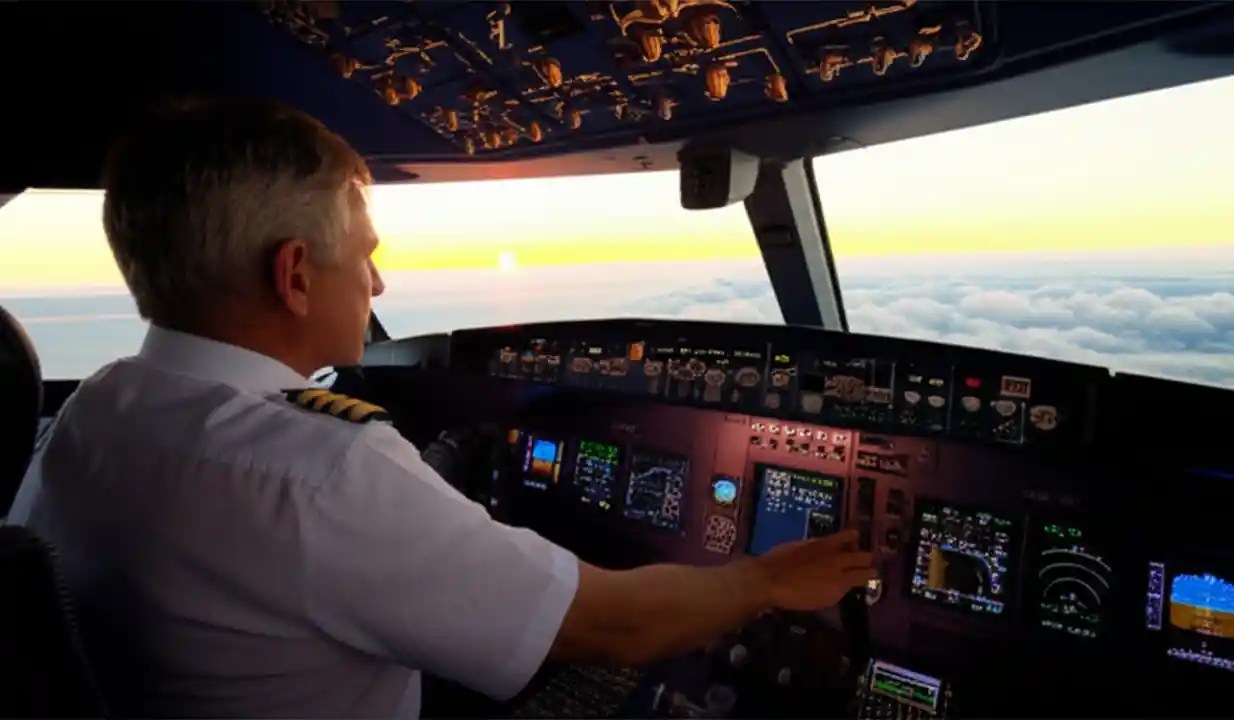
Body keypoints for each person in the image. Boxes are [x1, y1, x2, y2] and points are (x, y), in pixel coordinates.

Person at [5, 98, 877, 718]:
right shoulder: (322, 470)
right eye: (366, 256)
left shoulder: (95, 410)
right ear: (296, 274)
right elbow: (621, 625)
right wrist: (766, 578)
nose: (378, 283)